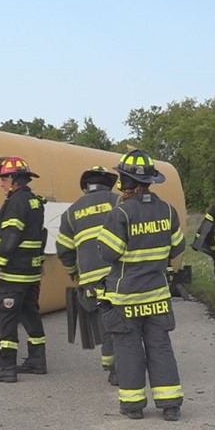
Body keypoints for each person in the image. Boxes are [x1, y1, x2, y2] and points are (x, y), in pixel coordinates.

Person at [96, 149, 187, 421]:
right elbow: (177, 247)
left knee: (129, 351)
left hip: (126, 300)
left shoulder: (121, 213)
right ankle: (170, 405)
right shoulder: (168, 210)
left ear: (125, 181)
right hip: (158, 297)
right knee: (160, 348)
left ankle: (133, 406)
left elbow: (107, 253)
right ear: (150, 181)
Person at [0, 156, 47, 383]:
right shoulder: (35, 202)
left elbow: (10, 236)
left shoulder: (15, 203)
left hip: (13, 274)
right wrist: (40, 263)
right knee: (30, 314)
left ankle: (7, 366)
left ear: (13, 179)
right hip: (30, 273)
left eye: (3, 179)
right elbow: (39, 236)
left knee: (7, 318)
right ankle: (37, 360)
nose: (1, 184)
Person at [56, 165, 121, 385]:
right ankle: (124, 364)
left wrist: (74, 273)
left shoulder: (71, 212)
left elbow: (64, 249)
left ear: (86, 186)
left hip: (91, 282)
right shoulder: (118, 202)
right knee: (125, 319)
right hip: (118, 275)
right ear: (109, 185)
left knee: (105, 322)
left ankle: (112, 366)